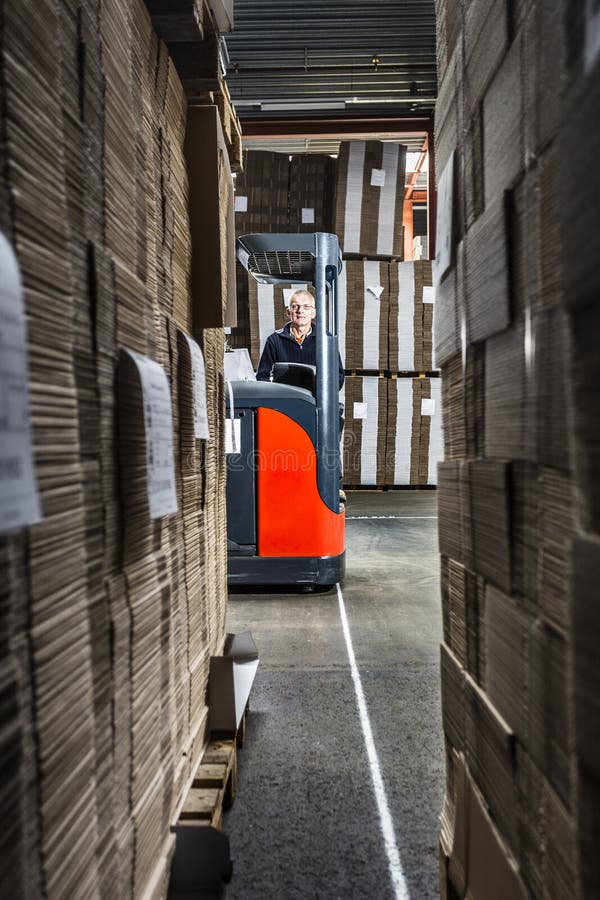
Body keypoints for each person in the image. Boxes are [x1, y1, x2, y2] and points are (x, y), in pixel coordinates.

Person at [256, 289, 345, 389]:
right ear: (288, 312)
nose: (300, 310)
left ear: (313, 313)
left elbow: (338, 378)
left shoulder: (326, 339)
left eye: (306, 307)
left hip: (316, 401)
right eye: (295, 306)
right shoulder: (274, 341)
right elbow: (262, 377)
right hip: (284, 400)